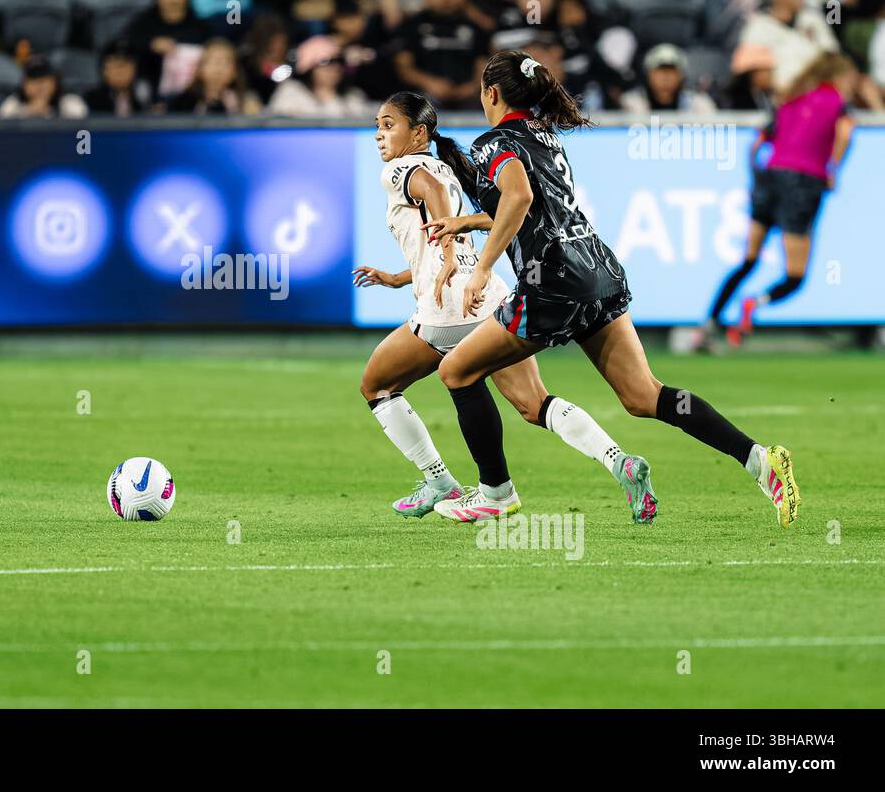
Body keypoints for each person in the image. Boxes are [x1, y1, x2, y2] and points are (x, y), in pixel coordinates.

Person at [419, 49, 800, 528]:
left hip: (552, 282)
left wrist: (481, 270)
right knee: (644, 395)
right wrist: (468, 222)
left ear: (490, 93)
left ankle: (496, 495)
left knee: (456, 371)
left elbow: (519, 197)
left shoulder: (493, 143)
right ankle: (760, 460)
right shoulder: (544, 135)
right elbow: (532, 209)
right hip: (597, 271)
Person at [355, 90, 653, 519]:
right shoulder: (449, 168)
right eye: (377, 127)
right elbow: (469, 226)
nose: (379, 135)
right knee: (533, 403)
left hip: (448, 307)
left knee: (378, 385)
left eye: (388, 125)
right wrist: (399, 277)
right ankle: (618, 460)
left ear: (418, 133)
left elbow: (435, 200)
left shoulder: (401, 170)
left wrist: (448, 258)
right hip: (488, 297)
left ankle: (443, 482)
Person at [697, 53, 857, 349]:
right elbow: (846, 132)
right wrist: (832, 168)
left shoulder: (791, 98)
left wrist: (757, 181)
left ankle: (708, 325)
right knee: (794, 276)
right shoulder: (836, 100)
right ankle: (755, 302)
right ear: (839, 76)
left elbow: (757, 145)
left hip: (770, 178)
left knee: (749, 260)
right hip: (804, 182)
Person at [393, 0, 487, 110]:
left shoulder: (475, 27)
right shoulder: (411, 25)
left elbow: (483, 65)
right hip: (423, 96)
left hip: (469, 98)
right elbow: (403, 67)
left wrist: (472, 87)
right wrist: (428, 82)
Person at [123, 0, 207, 103]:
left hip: (191, 95)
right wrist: (150, 45)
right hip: (146, 92)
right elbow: (124, 49)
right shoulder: (141, 24)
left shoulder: (201, 27)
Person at [266, 34, 371, 117]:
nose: (334, 68)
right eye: (326, 62)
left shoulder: (352, 97)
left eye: (338, 61)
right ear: (309, 68)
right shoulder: (290, 93)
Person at [165, 37, 259, 115]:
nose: (218, 68)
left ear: (234, 72)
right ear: (199, 69)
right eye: (212, 60)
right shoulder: (182, 102)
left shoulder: (244, 101)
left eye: (225, 62)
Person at [620, 43, 718, 113]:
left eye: (671, 71)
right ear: (649, 74)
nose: (666, 77)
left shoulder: (699, 103)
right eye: (660, 70)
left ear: (681, 75)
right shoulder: (631, 102)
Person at [0, 54, 87, 118]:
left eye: (44, 80)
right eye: (34, 80)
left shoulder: (70, 102)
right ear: (24, 85)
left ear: (54, 82)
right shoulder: (13, 104)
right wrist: (27, 112)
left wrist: (49, 113)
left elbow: (82, 132)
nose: (39, 86)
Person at [82, 41, 149, 116]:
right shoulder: (89, 101)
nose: (119, 71)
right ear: (103, 69)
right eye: (113, 64)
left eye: (125, 64)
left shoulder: (145, 98)